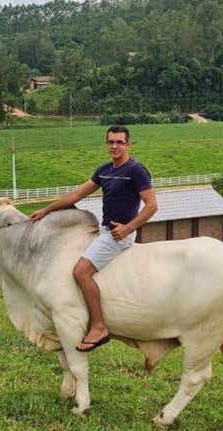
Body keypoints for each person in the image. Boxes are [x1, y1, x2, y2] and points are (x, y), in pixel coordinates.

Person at [30, 124, 158, 352]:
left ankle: (99, 326)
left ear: (128, 144)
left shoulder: (135, 170)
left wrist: (128, 228)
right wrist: (46, 210)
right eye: (111, 142)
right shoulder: (104, 170)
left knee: (80, 271)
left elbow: (151, 206)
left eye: (120, 142)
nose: (115, 146)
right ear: (106, 144)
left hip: (118, 235)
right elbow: (77, 194)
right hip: (104, 230)